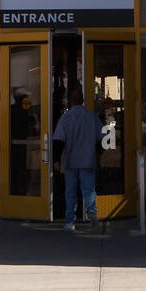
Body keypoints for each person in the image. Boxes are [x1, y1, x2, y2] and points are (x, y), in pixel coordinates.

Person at [52, 87, 100, 231]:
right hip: (88, 159)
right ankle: (91, 210)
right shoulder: (92, 116)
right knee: (89, 189)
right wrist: (98, 153)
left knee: (70, 192)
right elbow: (104, 137)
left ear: (70, 101)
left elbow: (58, 140)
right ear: (83, 100)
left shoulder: (66, 118)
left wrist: (56, 160)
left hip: (71, 160)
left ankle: (70, 221)